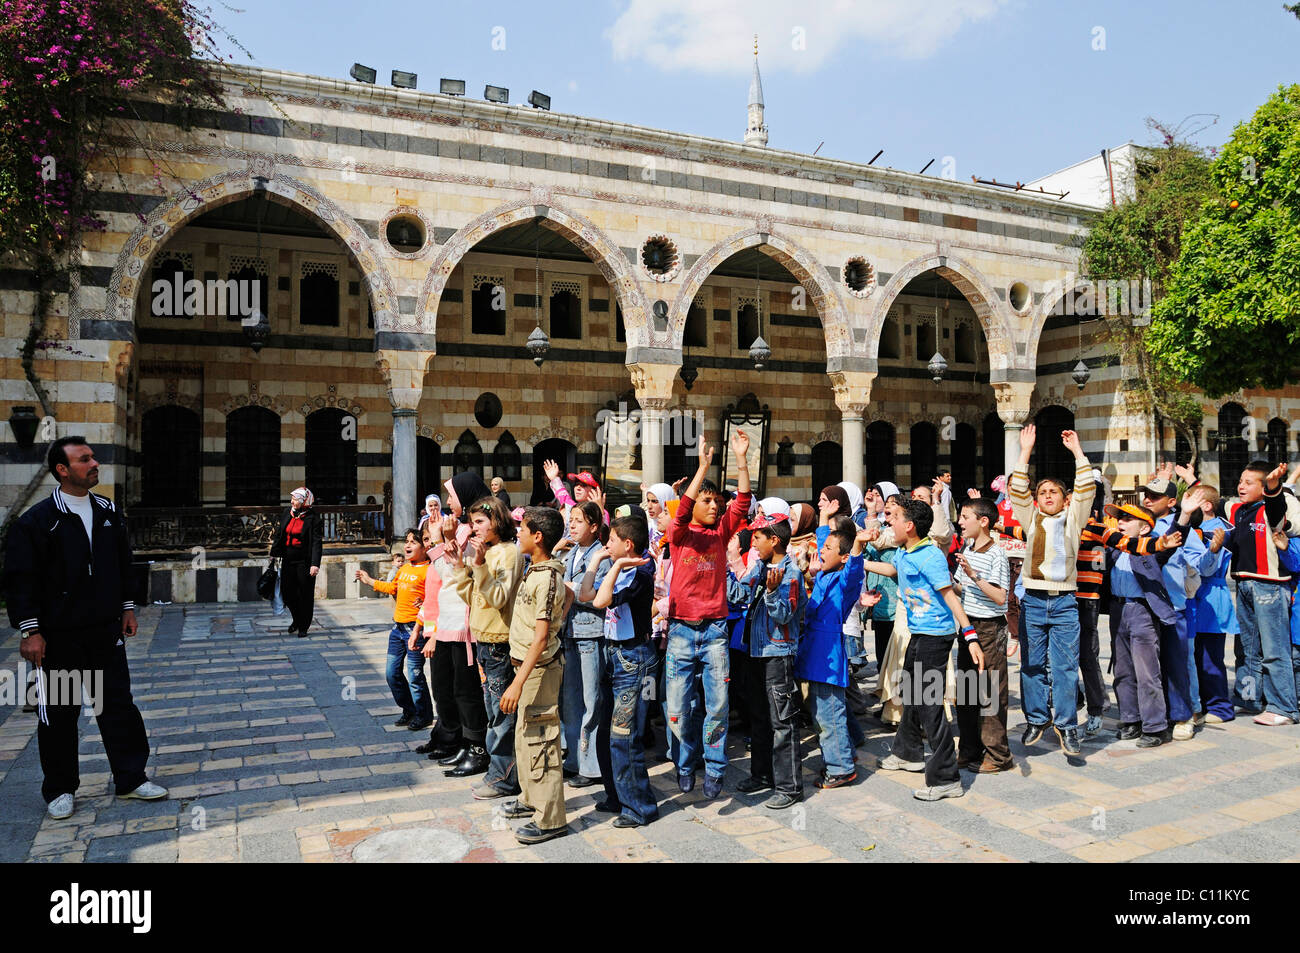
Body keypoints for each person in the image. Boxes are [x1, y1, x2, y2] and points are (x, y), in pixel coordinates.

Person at [4, 436, 168, 819]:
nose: (95, 463)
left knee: (117, 706)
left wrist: (127, 608)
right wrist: (30, 631)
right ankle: (60, 788)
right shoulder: (36, 522)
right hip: (56, 637)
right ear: (62, 470)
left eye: (93, 457)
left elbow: (122, 564)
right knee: (59, 711)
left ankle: (130, 778)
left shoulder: (108, 510)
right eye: (84, 459)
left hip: (104, 631)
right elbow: (20, 579)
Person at [865, 498, 984, 801]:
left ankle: (946, 778)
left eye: (895, 517)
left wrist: (969, 635)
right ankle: (908, 753)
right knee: (911, 692)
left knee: (930, 705)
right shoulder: (907, 552)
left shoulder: (930, 556)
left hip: (936, 637)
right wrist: (858, 561)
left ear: (910, 526)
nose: (889, 521)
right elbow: (894, 570)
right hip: (919, 633)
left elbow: (949, 596)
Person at [666, 429, 752, 799]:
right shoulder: (679, 534)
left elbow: (744, 501)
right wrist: (702, 467)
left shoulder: (720, 533)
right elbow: (682, 509)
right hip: (681, 632)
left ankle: (715, 770)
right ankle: (685, 765)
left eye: (717, 500)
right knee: (679, 708)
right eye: (708, 500)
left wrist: (742, 458)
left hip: (715, 630)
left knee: (717, 705)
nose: (715, 506)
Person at [1008, 425, 1094, 756]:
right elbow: (1017, 490)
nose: (1046, 496)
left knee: (1064, 667)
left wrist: (1077, 451)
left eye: (1052, 492)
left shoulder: (1074, 520)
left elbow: (1085, 490)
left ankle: (1067, 725)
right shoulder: (1031, 520)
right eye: (1041, 491)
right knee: (1030, 665)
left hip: (1064, 604)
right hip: (1033, 601)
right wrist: (1025, 450)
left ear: (1064, 499)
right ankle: (1037, 718)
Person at [496, 507, 572, 844]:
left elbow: (541, 637)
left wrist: (516, 682)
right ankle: (531, 798)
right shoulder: (537, 569)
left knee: (541, 743)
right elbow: (567, 598)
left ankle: (551, 818)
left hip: (538, 672)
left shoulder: (547, 576)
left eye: (522, 529)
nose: (518, 534)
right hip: (527, 669)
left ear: (537, 537)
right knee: (525, 741)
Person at [584, 514, 659, 827]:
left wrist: (614, 566)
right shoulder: (622, 568)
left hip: (635, 660)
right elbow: (587, 593)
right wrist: (598, 560)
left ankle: (640, 807)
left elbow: (600, 602)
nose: (606, 544)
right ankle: (617, 795)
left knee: (625, 736)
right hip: (615, 656)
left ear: (628, 544)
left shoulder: (640, 571)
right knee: (607, 733)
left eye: (611, 540)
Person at [449, 495, 525, 797]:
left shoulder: (507, 553)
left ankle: (504, 778)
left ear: (497, 521)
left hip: (499, 645)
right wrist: (461, 566)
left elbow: (498, 598)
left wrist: (478, 565)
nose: (474, 527)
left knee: (501, 715)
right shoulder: (489, 552)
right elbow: (473, 598)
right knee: (493, 710)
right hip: (483, 642)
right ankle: (500, 773)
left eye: (480, 521)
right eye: (472, 522)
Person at [732, 518, 807, 809]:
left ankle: (789, 787)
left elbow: (784, 616)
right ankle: (762, 774)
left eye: (758, 537)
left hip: (777, 654)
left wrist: (773, 592)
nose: (753, 542)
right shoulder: (761, 568)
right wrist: (728, 565)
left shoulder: (790, 574)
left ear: (774, 540)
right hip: (756, 652)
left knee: (783, 721)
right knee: (760, 717)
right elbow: (737, 594)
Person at [1103, 502, 1186, 747]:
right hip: (1118, 611)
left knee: (1147, 672)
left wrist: (1186, 515)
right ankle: (1131, 719)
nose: (1120, 523)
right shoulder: (1115, 550)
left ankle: (1155, 726)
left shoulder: (1151, 550)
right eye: (1120, 519)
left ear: (1144, 529)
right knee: (1122, 670)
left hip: (1142, 612)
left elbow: (1173, 538)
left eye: (1127, 519)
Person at [1224, 461, 1297, 725]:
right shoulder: (1238, 511)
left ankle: (1284, 707)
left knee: (1274, 649)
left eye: (1249, 482)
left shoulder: (1272, 509)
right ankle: (1250, 698)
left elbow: (1278, 506)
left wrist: (1274, 486)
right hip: (1243, 583)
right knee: (1246, 648)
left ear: (1263, 485)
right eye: (1241, 481)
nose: (1241, 486)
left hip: (1269, 585)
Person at [797, 524, 869, 789]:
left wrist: (858, 545)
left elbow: (854, 571)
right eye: (823, 546)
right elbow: (823, 536)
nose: (822, 550)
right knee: (823, 712)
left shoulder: (844, 580)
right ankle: (845, 754)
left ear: (843, 557)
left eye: (828, 549)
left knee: (830, 714)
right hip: (814, 651)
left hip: (828, 655)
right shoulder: (824, 576)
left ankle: (841, 769)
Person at [411, 518, 488, 765]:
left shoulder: (465, 539)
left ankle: (468, 744)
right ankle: (448, 737)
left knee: (463, 693)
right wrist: (423, 628)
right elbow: (433, 598)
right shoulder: (443, 552)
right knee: (445, 690)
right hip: (442, 628)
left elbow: (455, 584)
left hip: (458, 628)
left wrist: (442, 540)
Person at [1139, 473, 1206, 740]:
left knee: (1179, 662)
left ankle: (1185, 714)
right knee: (1146, 667)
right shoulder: (1137, 522)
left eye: (1154, 496)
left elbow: (1201, 561)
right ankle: (1152, 714)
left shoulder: (1180, 525)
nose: (1147, 499)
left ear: (1170, 501)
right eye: (1146, 494)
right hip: (1142, 607)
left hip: (1173, 604)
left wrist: (1213, 551)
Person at [952, 497, 1013, 773]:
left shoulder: (996, 554)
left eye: (966, 517)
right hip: (968, 626)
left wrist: (974, 575)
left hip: (990, 628)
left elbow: (1000, 597)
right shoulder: (967, 548)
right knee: (966, 692)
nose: (960, 522)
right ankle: (969, 749)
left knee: (990, 692)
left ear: (983, 521)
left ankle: (998, 755)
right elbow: (959, 588)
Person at [357, 528, 434, 732]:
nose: (407, 545)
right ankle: (408, 709)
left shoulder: (429, 570)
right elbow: (392, 588)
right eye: (406, 541)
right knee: (392, 674)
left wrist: (425, 604)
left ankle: (423, 715)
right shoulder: (404, 569)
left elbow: (435, 599)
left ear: (425, 548)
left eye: (413, 542)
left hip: (414, 631)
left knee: (416, 676)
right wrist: (368, 580)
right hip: (397, 630)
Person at [559, 501, 609, 787]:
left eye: (579, 520)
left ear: (593, 526)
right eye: (571, 520)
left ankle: (591, 766)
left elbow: (600, 596)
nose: (572, 525)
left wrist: (570, 590)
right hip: (571, 633)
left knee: (592, 701)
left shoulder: (601, 556)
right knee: (571, 700)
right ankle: (575, 759)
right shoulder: (571, 554)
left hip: (591, 633)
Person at [1191, 490, 1237, 723]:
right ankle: (1200, 703)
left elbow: (1207, 567)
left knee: (1210, 658)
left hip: (1211, 596)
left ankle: (1220, 707)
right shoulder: (1191, 527)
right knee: (1194, 656)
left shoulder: (1221, 529)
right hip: (1194, 598)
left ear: (1207, 506)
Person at [270, 487, 323, 637]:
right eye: (292, 499)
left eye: (295, 499)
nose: (292, 501)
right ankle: (296, 619)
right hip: (288, 558)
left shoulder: (313, 518)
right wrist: (273, 553)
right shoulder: (288, 512)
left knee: (304, 594)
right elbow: (280, 533)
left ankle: (303, 626)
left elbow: (316, 543)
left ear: (304, 501)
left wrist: (315, 564)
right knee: (287, 593)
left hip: (304, 561)